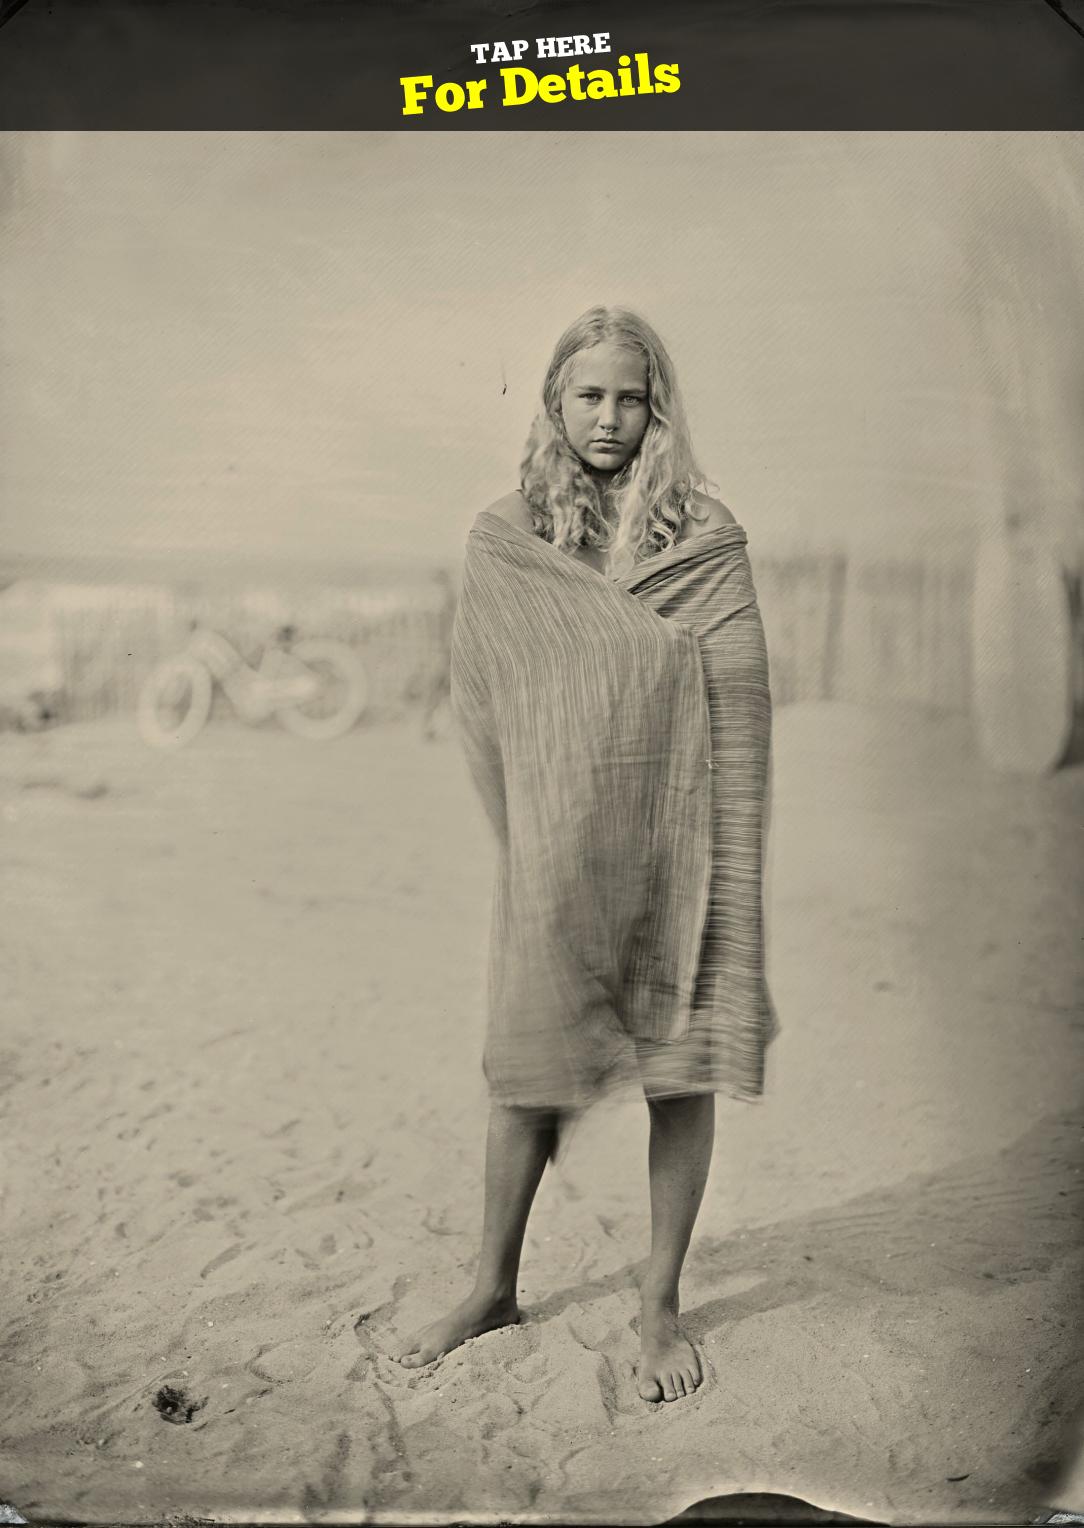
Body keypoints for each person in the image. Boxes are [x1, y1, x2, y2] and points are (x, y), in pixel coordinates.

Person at [396, 306, 777, 1405]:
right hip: (563, 841)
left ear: (656, 408)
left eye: (629, 396)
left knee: (680, 1061)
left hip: (685, 841)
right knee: (526, 1057)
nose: (608, 417)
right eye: (588, 395)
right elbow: (488, 705)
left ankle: (658, 1302)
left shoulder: (702, 536)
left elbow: (739, 699)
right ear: (553, 404)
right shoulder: (507, 537)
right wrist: (548, 828)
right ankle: (490, 1284)